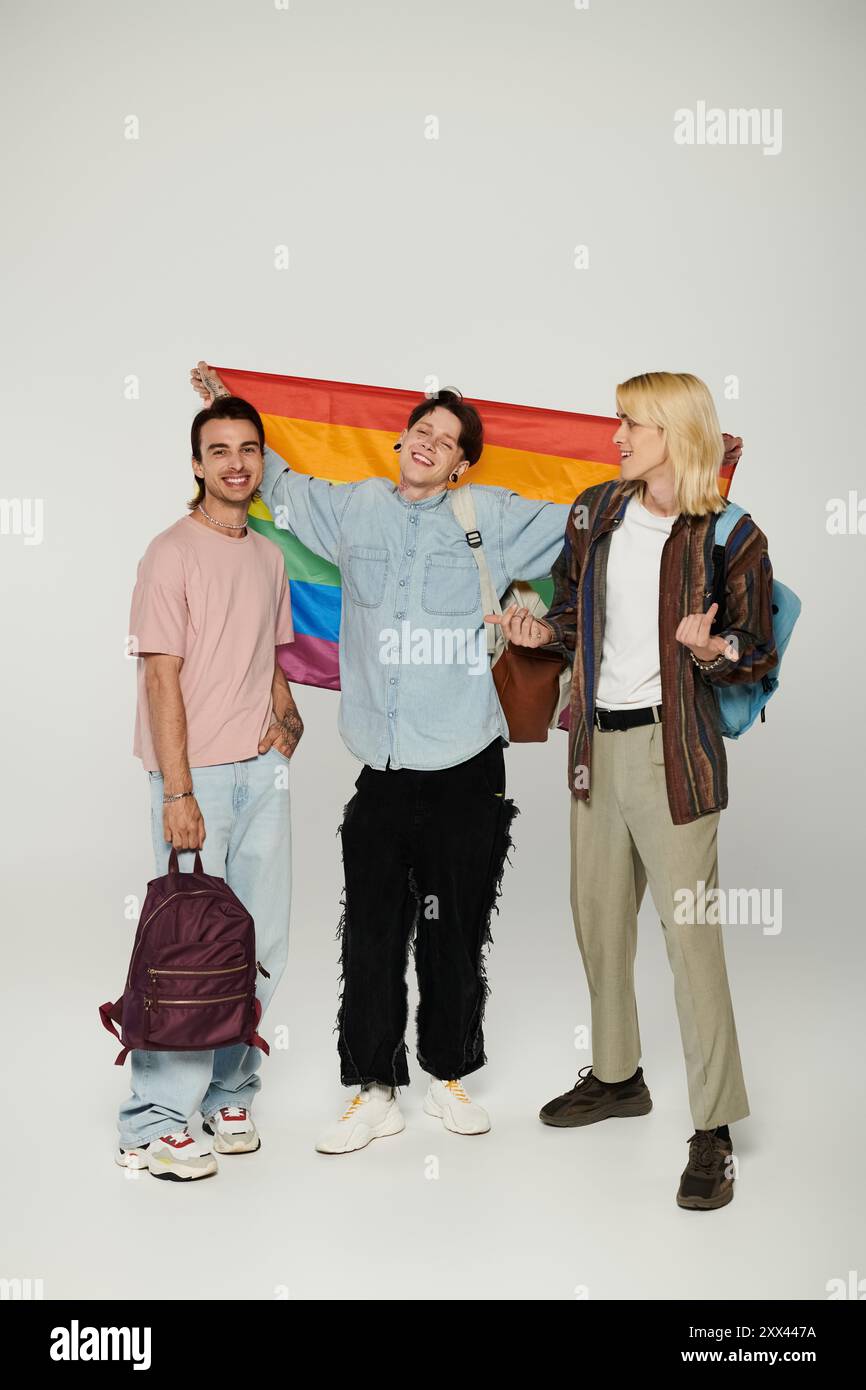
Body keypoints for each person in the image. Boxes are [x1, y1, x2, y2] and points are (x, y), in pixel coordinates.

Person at [190, 363, 574, 1153]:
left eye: (449, 440)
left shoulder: (492, 516)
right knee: (370, 930)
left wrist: (688, 466)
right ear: (401, 441)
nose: (431, 444)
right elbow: (281, 482)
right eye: (422, 431)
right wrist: (239, 403)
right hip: (383, 767)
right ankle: (373, 1088)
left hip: (468, 762)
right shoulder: (356, 506)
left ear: (464, 462)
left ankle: (451, 1073)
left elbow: (591, 520)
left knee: (454, 928)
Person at [494, 371, 776, 1210]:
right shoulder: (595, 511)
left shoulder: (731, 533)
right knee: (598, 922)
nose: (616, 437)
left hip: (674, 755)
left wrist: (713, 645)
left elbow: (757, 647)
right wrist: (538, 629)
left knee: (690, 941)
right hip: (594, 747)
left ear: (675, 432)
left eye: (632, 425)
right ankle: (618, 1078)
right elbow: (573, 609)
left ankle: (714, 1128)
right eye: (618, 423)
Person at [116, 395, 302, 1181]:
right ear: (196, 464)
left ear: (261, 460)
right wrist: (178, 793)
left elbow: (272, 651)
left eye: (248, 449)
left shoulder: (267, 554)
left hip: (264, 773)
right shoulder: (170, 553)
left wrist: (286, 713)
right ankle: (151, 1122)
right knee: (184, 947)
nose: (235, 462)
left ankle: (231, 1089)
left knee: (258, 942)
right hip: (196, 779)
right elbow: (160, 674)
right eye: (218, 449)